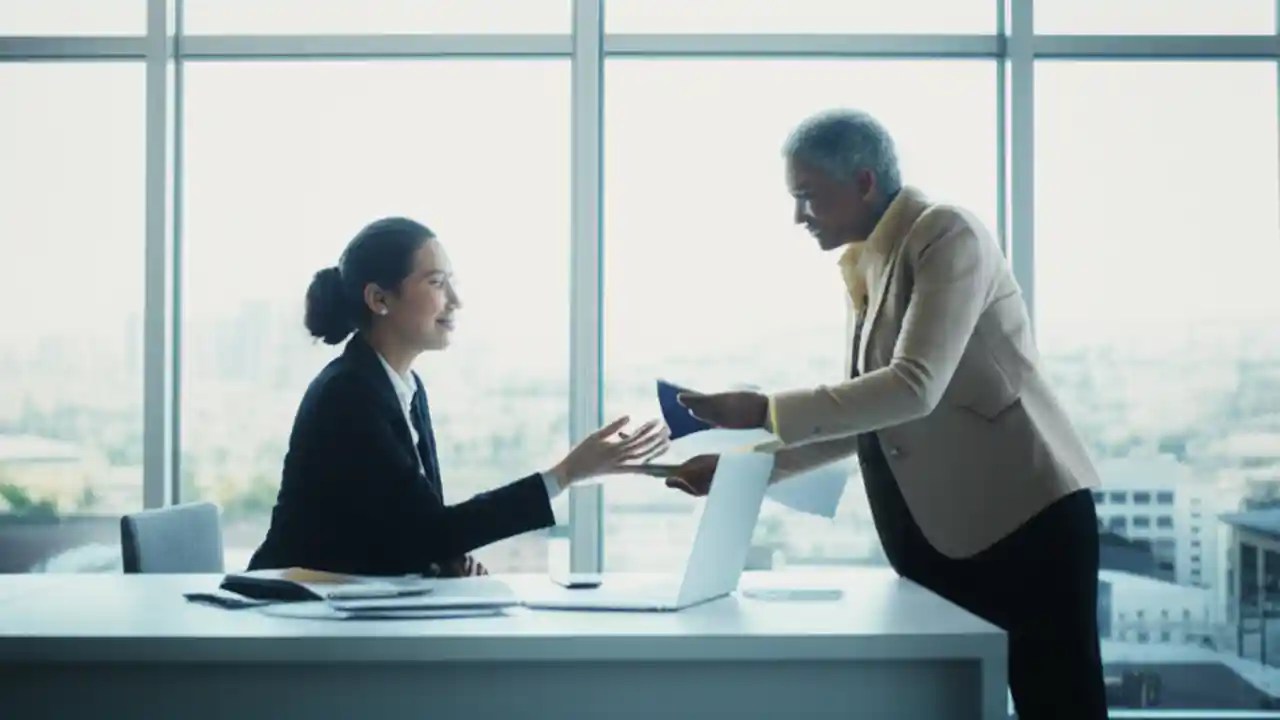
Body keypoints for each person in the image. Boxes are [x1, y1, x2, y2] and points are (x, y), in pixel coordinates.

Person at [666, 109, 1107, 718]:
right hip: (944, 539)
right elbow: (867, 417)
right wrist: (742, 470)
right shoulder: (869, 263)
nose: (798, 218)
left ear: (864, 182)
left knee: (1059, 705)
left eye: (808, 198)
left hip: (1024, 526)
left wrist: (765, 411)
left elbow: (912, 388)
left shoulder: (946, 235)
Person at [249, 217, 668, 577]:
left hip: (343, 610)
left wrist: (441, 559)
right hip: (291, 614)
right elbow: (426, 532)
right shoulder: (348, 394)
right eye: (436, 282)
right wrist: (564, 474)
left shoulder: (402, 388)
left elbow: (408, 526)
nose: (455, 300)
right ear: (379, 299)